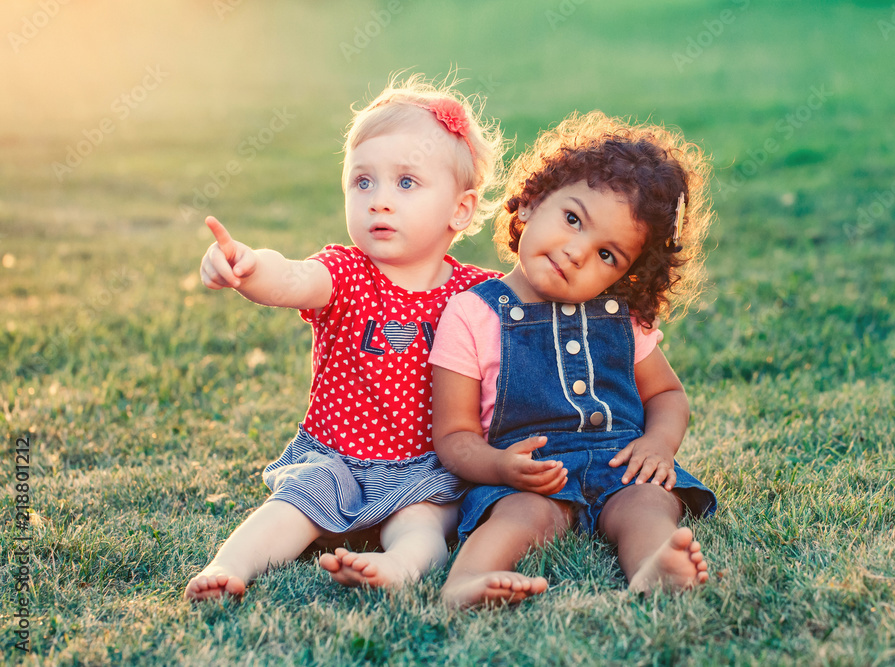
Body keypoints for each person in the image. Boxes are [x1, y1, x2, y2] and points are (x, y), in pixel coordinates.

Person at [185, 75, 505, 600]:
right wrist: (247, 266)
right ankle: (229, 567)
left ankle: (398, 567)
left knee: (426, 523)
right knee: (289, 508)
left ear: (461, 210)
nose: (379, 200)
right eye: (363, 182)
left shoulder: (477, 294)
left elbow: (535, 316)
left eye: (406, 183)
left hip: (424, 467)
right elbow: (289, 277)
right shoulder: (346, 272)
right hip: (336, 459)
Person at [429, 111, 718, 607]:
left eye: (608, 255)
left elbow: (668, 394)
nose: (578, 252)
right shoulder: (473, 314)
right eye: (572, 219)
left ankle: (652, 568)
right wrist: (501, 468)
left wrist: (658, 444)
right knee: (522, 515)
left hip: (619, 463)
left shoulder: (621, 319)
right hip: (530, 472)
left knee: (649, 502)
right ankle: (467, 581)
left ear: (626, 275)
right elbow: (453, 437)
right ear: (531, 205)